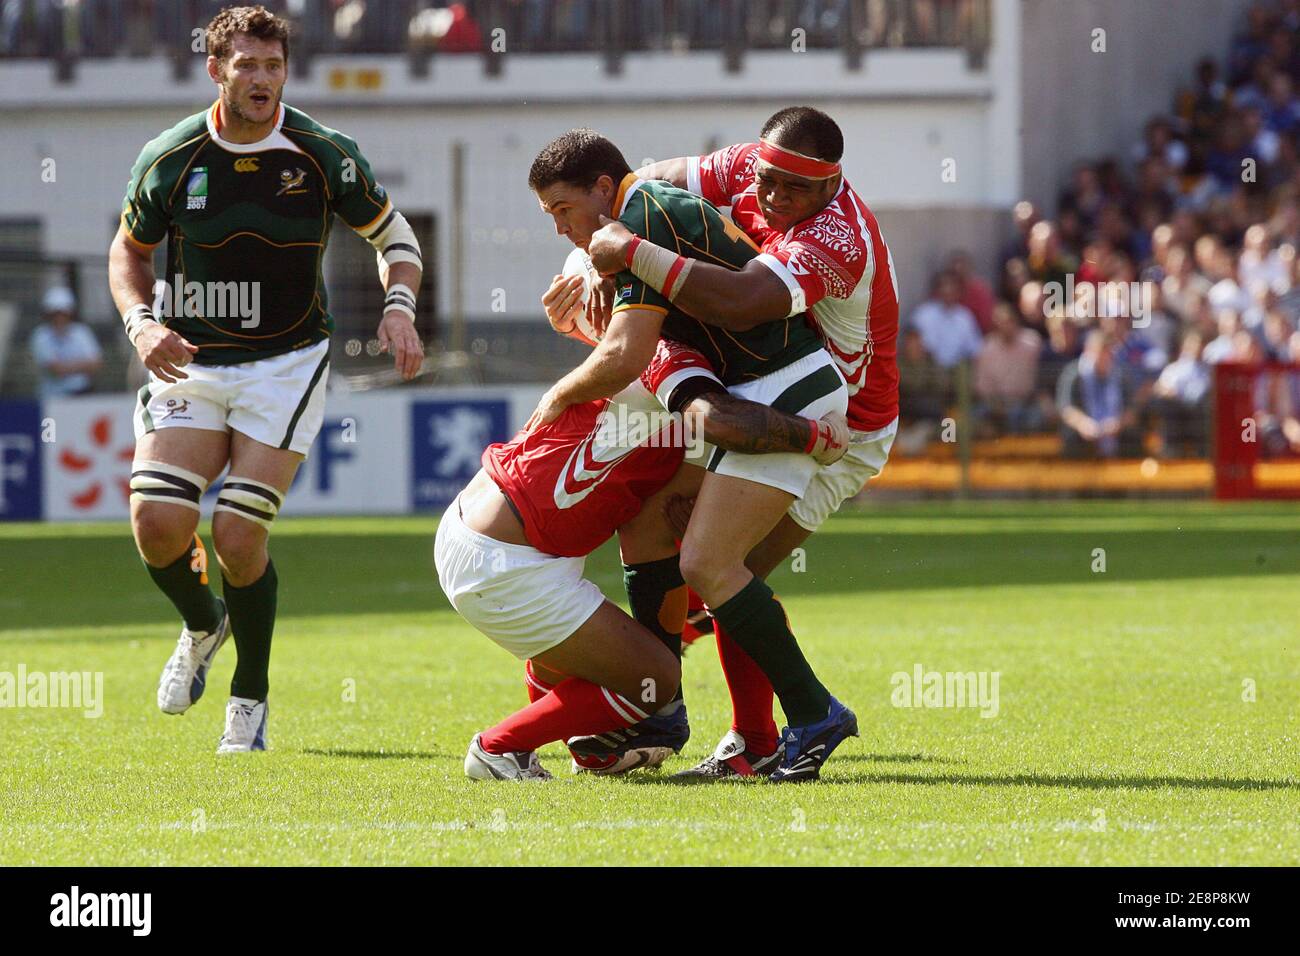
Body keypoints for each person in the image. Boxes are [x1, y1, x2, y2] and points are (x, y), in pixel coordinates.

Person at [107, 5, 424, 752]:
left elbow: (394, 235)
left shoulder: (322, 152)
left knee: (238, 535)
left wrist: (400, 308)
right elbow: (128, 254)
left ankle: (248, 701)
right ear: (215, 69)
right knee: (157, 527)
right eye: (246, 65)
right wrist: (142, 324)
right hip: (190, 359)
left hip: (285, 364)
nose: (262, 79)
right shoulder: (170, 156)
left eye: (273, 65)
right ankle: (201, 622)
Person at [574, 106, 901, 781]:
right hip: (764, 391)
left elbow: (742, 300)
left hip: (845, 427)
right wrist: (589, 262)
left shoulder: (836, 239)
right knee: (660, 526)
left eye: (796, 190)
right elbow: (643, 186)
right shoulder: (749, 166)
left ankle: (754, 723)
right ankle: (682, 712)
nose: (775, 198)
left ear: (831, 185)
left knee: (723, 569)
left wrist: (626, 254)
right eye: (769, 181)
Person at [438, 334, 849, 780]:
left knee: (587, 657)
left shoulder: (635, 351)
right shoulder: (671, 357)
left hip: (477, 530)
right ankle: (498, 748)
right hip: (508, 563)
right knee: (656, 681)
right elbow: (722, 421)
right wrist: (816, 436)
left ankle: (591, 747)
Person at [28, 286, 102, 400]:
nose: (59, 317)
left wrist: (65, 367)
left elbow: (96, 365)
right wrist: (83, 366)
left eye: (63, 313)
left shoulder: (82, 332)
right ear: (48, 314)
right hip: (52, 398)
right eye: (55, 313)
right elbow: (55, 370)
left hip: (83, 396)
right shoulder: (40, 336)